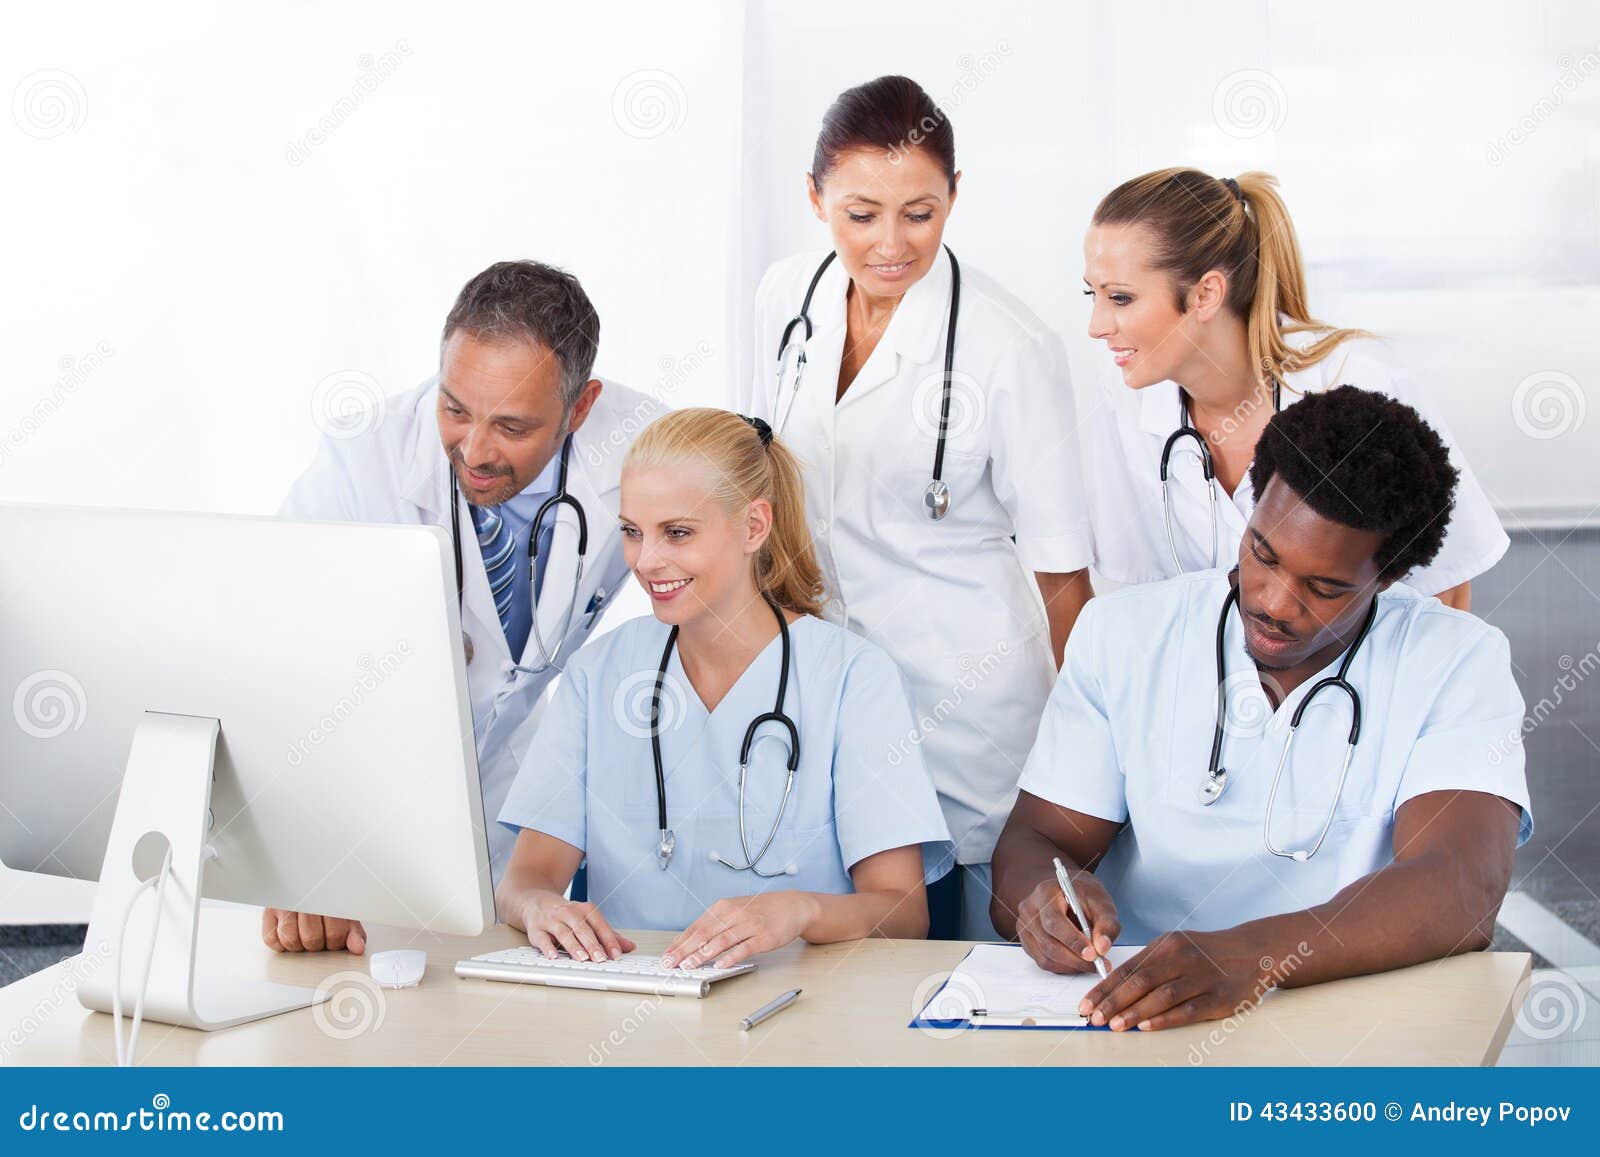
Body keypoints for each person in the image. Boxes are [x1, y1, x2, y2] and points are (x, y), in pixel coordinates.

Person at [990, 386, 1532, 1032]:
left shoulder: (1455, 660)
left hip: (1356, 1022)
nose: (1274, 601)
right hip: (1143, 1018)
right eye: (1262, 555)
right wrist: (1043, 901)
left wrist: (1252, 958)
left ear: (1387, 579)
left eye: (1324, 587)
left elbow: (1460, 887)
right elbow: (1039, 839)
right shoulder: (1124, 634)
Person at [741, 76, 1094, 939]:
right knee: (858, 982)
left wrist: (1090, 772)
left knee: (974, 991)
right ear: (815, 196)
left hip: (965, 711)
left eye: (920, 212)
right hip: (824, 693)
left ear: (956, 197)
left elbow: (1064, 582)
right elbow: (761, 487)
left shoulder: (1010, 349)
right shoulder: (786, 298)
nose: (892, 244)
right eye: (861, 214)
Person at [266, 260, 655, 954]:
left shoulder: (644, 449)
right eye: (454, 408)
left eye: (512, 426)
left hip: (507, 818)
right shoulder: (364, 466)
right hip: (357, 806)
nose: (473, 451)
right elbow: (276, 661)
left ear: (580, 407)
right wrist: (301, 851)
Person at [495, 408, 950, 967]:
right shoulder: (597, 675)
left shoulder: (853, 678)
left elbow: (903, 912)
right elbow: (526, 878)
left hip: (799, 1009)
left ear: (754, 527)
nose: (647, 561)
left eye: (678, 532)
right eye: (632, 533)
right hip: (633, 1008)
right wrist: (539, 905)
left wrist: (799, 911)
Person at [1083, 168, 1506, 607]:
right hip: (1209, 675)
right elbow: (1141, 601)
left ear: (1206, 294)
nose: (1096, 327)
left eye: (1120, 298)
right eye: (1090, 294)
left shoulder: (1358, 380)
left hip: (1362, 673)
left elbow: (1447, 586)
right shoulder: (1123, 400)